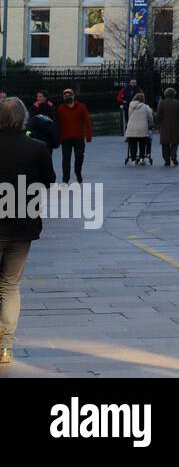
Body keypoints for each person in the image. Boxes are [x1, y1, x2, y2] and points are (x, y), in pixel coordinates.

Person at [0, 98, 58, 365]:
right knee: (10, 285)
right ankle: (5, 347)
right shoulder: (37, 148)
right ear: (24, 118)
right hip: (23, 226)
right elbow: (49, 180)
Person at [55, 88, 93, 184]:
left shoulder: (81, 107)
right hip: (65, 137)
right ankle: (65, 179)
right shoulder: (60, 109)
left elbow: (87, 121)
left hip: (79, 137)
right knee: (66, 159)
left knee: (80, 156)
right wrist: (57, 138)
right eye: (65, 95)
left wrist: (88, 136)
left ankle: (78, 171)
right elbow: (58, 124)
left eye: (69, 95)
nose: (67, 96)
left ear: (73, 96)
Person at [124, 91, 154, 166]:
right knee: (142, 144)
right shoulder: (146, 107)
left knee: (132, 144)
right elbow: (150, 117)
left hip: (131, 128)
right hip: (142, 128)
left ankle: (133, 160)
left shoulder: (131, 105)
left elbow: (129, 115)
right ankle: (141, 159)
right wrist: (150, 124)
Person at [155, 87, 179, 167]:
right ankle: (173, 155)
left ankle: (166, 160)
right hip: (175, 126)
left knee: (165, 144)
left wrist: (159, 123)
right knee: (175, 143)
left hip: (164, 126)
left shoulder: (161, 103)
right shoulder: (178, 103)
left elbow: (158, 115)